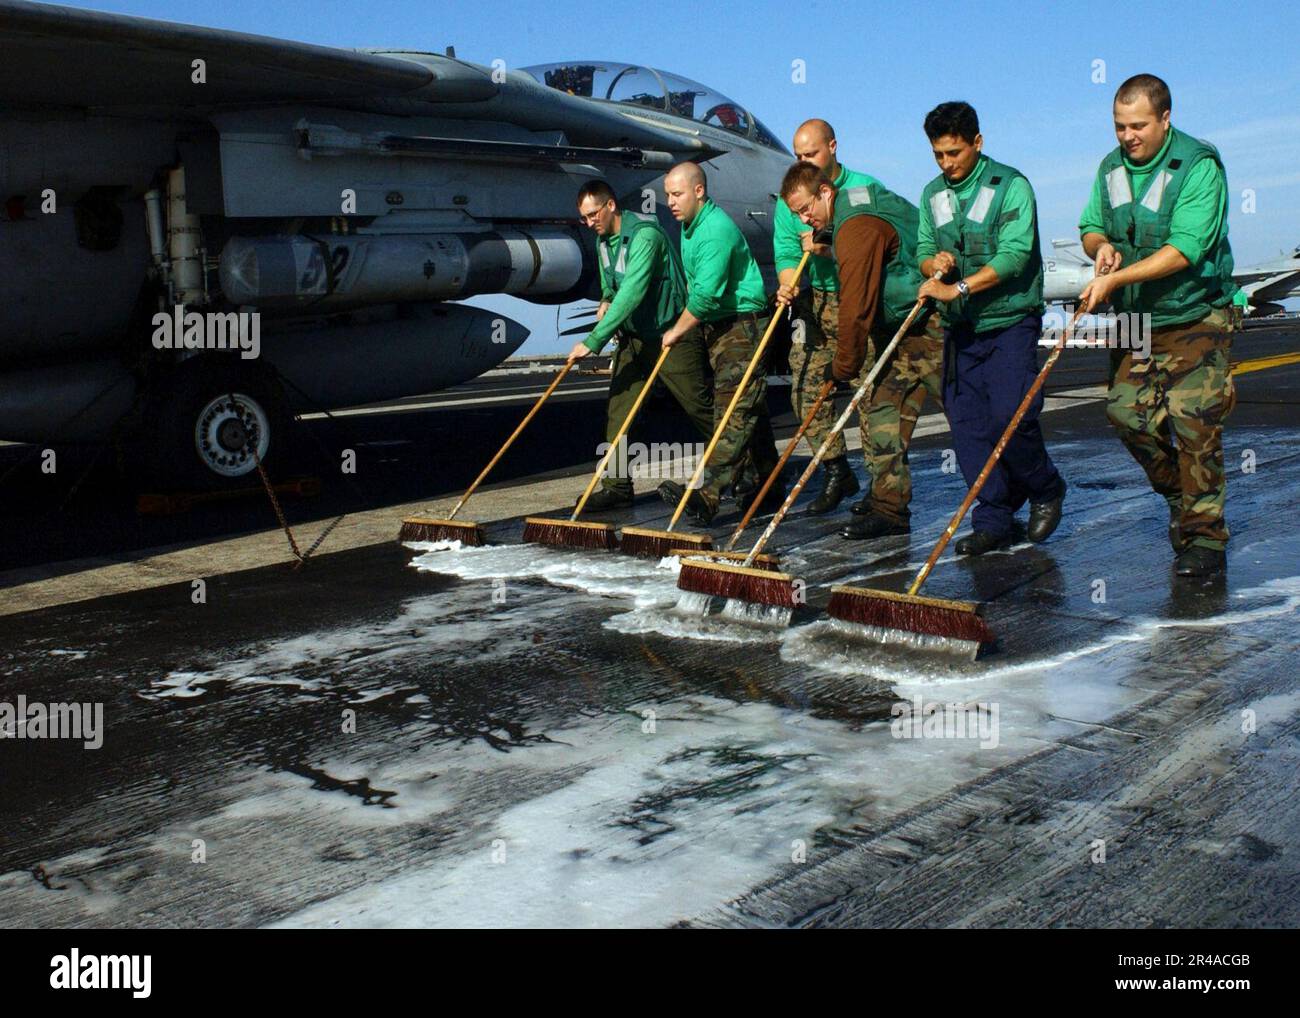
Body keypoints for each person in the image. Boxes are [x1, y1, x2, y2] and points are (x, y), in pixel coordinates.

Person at [1077, 74, 1238, 577]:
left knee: (1195, 424)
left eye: (1138, 125)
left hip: (1195, 313)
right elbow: (1090, 225)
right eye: (1120, 126)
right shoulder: (1110, 167)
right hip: (1136, 319)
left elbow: (1185, 250)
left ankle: (1205, 540)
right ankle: (1180, 495)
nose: (1128, 136)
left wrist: (1115, 278)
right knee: (1127, 416)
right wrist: (1099, 246)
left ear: (1165, 118)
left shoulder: (1197, 165)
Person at [916, 101, 1067, 555]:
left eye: (955, 153)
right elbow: (922, 246)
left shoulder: (1011, 186)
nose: (947, 163)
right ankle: (994, 517)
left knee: (1011, 415)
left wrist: (959, 287)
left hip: (1009, 323)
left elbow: (1015, 255)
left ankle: (1045, 487)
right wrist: (932, 262)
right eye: (939, 154)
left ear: (977, 143)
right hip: (962, 331)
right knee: (968, 428)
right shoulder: (932, 194)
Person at [777, 161, 944, 539]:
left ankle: (1025, 490)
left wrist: (843, 367)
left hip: (933, 326)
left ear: (825, 192)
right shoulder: (848, 211)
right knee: (885, 413)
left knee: (968, 414)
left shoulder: (855, 225)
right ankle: (889, 510)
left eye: (806, 210)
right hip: (901, 329)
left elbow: (855, 307)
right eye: (797, 215)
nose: (805, 220)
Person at [566, 180, 714, 509]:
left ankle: (747, 469)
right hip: (635, 339)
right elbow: (613, 285)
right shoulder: (603, 241)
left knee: (700, 409)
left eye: (593, 215)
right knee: (619, 412)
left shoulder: (646, 235)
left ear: (611, 205)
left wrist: (593, 340)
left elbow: (633, 290)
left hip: (671, 334)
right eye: (584, 219)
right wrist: (605, 299)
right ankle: (617, 486)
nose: (590, 223)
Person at [656, 162, 781, 525]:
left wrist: (677, 330)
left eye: (677, 194)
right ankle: (768, 482)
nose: (670, 202)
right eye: (667, 195)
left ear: (699, 191)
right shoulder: (690, 226)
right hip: (720, 327)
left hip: (742, 327)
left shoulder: (714, 231)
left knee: (733, 410)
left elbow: (707, 297)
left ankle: (708, 496)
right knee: (748, 407)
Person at [772, 119, 882, 514]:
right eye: (798, 155)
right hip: (814, 305)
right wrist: (788, 283)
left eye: (812, 154)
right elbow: (786, 254)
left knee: (870, 395)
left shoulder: (864, 188)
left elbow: (880, 246)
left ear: (833, 147)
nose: (804, 161)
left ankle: (879, 486)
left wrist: (830, 247)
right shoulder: (791, 201)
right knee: (804, 390)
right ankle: (836, 469)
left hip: (857, 302)